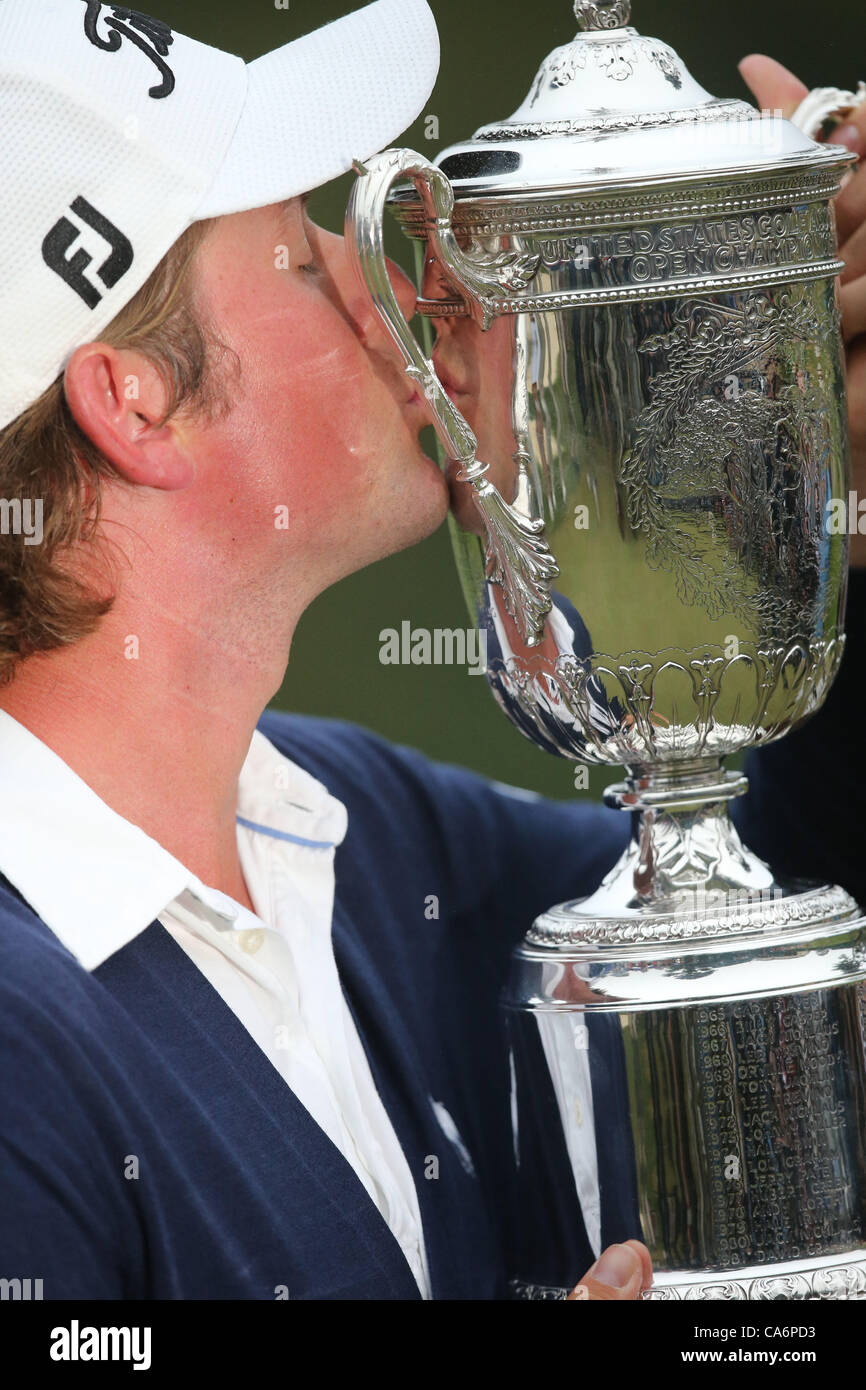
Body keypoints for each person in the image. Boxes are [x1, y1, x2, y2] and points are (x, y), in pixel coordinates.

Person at [0, 0, 862, 1301]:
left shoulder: (359, 823)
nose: (400, 289)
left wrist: (797, 476)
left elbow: (767, 899)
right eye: (302, 254)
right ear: (134, 402)